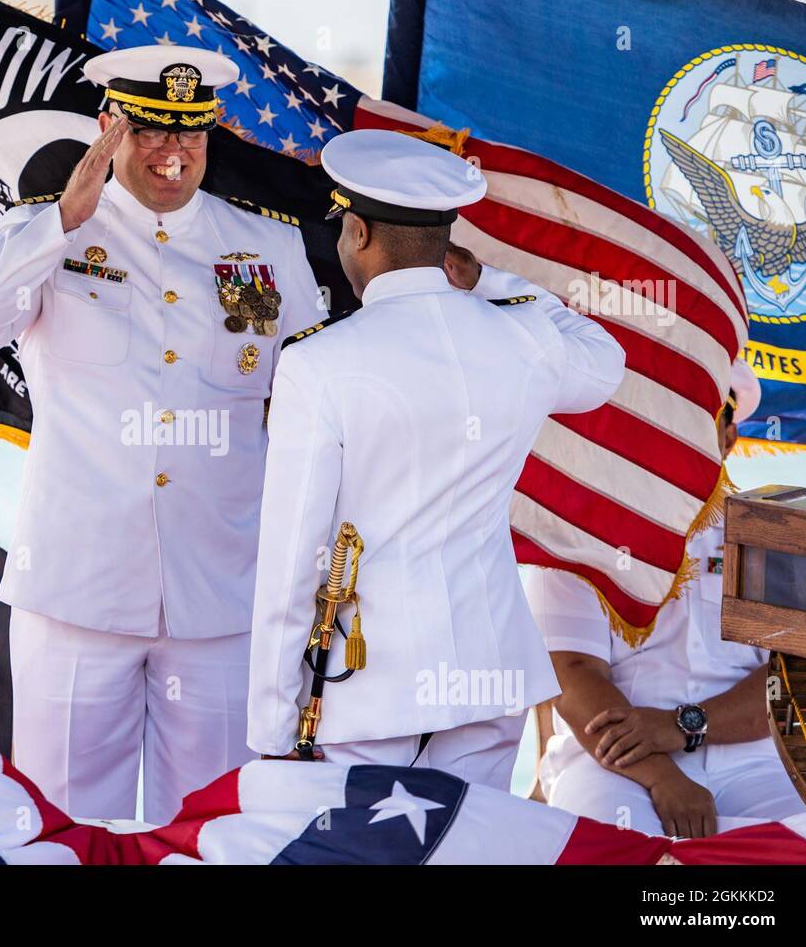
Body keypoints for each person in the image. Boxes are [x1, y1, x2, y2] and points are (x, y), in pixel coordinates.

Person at [0, 46, 324, 822]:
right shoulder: (48, 232)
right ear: (109, 129)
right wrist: (60, 221)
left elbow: (312, 403)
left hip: (221, 602)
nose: (172, 155)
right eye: (149, 133)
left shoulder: (267, 245)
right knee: (67, 832)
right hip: (77, 594)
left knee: (210, 834)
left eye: (192, 135)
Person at [247, 128, 626, 789]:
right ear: (446, 240)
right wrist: (493, 283)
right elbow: (604, 364)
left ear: (358, 235)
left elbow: (292, 566)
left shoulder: (317, 364)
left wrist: (272, 727)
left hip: (369, 687)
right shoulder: (522, 338)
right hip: (489, 673)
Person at [526, 360, 806, 836]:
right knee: (607, 846)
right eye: (667, 420)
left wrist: (683, 726)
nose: (678, 439)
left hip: (754, 757)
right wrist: (662, 776)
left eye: (697, 421)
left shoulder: (775, 529)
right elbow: (572, 675)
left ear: (729, 436)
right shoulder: (576, 531)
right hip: (616, 763)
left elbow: (788, 677)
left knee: (804, 843)